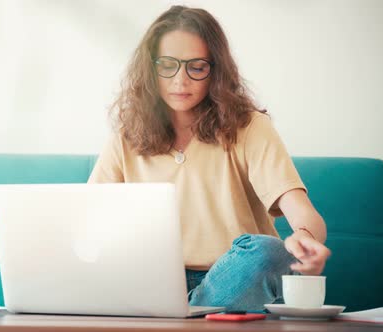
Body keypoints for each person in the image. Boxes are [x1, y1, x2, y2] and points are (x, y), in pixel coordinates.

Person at [88, 5, 331, 311]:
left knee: (270, 252)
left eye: (197, 67)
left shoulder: (250, 127)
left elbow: (304, 214)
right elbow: (88, 220)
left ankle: (179, 316)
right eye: (167, 65)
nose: (181, 79)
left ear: (216, 71)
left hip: (236, 278)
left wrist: (306, 239)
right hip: (151, 281)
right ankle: (192, 315)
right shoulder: (127, 134)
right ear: (149, 68)